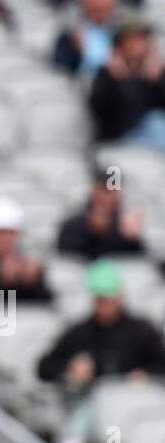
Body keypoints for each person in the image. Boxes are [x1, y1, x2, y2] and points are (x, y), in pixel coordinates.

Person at [36, 260, 165, 443]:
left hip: (127, 421)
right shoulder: (80, 333)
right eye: (99, 297)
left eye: (108, 297)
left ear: (120, 295)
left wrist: (145, 375)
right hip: (89, 411)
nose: (104, 303)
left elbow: (161, 364)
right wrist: (70, 369)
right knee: (81, 433)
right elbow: (44, 367)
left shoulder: (142, 331)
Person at [88, 19, 165, 147]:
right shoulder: (107, 73)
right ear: (119, 45)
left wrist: (158, 81)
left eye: (141, 39)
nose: (137, 45)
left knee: (156, 122)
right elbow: (101, 110)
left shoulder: (155, 71)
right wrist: (116, 80)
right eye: (132, 40)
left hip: (152, 135)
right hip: (119, 138)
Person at [56, 173, 146, 259]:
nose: (107, 198)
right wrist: (92, 233)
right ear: (93, 191)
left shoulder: (125, 226)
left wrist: (132, 240)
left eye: (112, 191)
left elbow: (136, 262)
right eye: (104, 191)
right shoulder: (73, 224)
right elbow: (65, 256)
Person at [53, 0, 119, 78]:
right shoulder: (72, 34)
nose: (101, 13)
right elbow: (61, 67)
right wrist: (75, 50)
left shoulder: (120, 31)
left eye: (106, 9)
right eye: (96, 9)